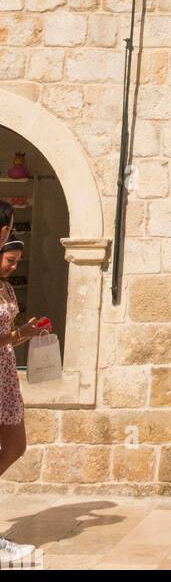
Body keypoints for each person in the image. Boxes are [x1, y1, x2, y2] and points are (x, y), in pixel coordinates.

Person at [0, 238, 49, 563]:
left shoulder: (7, 289)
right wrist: (19, 335)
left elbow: (8, 333)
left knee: (17, 446)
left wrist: (27, 331)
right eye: (10, 260)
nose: (14, 267)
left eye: (18, 261)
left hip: (4, 374)